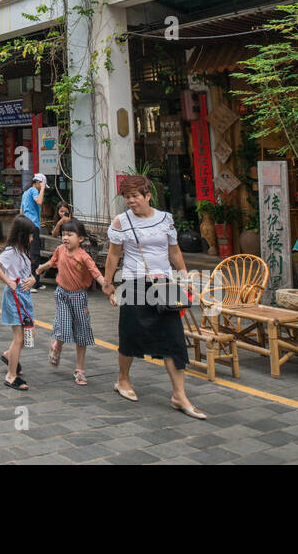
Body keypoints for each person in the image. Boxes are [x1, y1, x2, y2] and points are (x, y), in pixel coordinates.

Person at [104, 175, 205, 419]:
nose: (130, 201)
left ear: (148, 196)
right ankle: (123, 379)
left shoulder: (165, 219)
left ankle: (179, 395)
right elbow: (113, 256)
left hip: (165, 283)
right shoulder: (121, 222)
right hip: (133, 282)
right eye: (126, 197)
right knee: (130, 333)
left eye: (135, 196)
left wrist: (184, 274)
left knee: (174, 337)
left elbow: (174, 250)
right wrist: (108, 283)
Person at [36, 218, 110, 386]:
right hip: (62, 294)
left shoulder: (83, 256)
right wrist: (42, 267)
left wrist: (106, 286)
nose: (65, 238)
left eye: (70, 234)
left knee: (81, 332)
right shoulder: (60, 250)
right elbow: (52, 262)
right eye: (63, 234)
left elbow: (95, 272)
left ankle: (79, 369)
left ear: (81, 239)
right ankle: (57, 347)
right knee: (62, 324)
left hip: (79, 297)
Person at [0, 215, 38, 391]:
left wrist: (32, 279)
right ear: (21, 235)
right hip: (15, 297)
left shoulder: (23, 251)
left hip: (24, 297)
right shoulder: (11, 251)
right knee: (20, 337)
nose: (32, 239)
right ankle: (11, 376)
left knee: (29, 336)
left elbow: (28, 273)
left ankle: (10, 356)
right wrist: (9, 282)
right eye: (30, 235)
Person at [21, 173, 48, 290]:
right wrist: (42, 188)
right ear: (37, 182)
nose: (43, 189)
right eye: (41, 185)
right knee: (34, 254)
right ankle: (32, 282)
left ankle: (36, 281)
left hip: (26, 224)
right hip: (32, 225)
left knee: (30, 253)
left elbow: (21, 210)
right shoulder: (33, 191)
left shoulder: (25, 193)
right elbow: (39, 201)